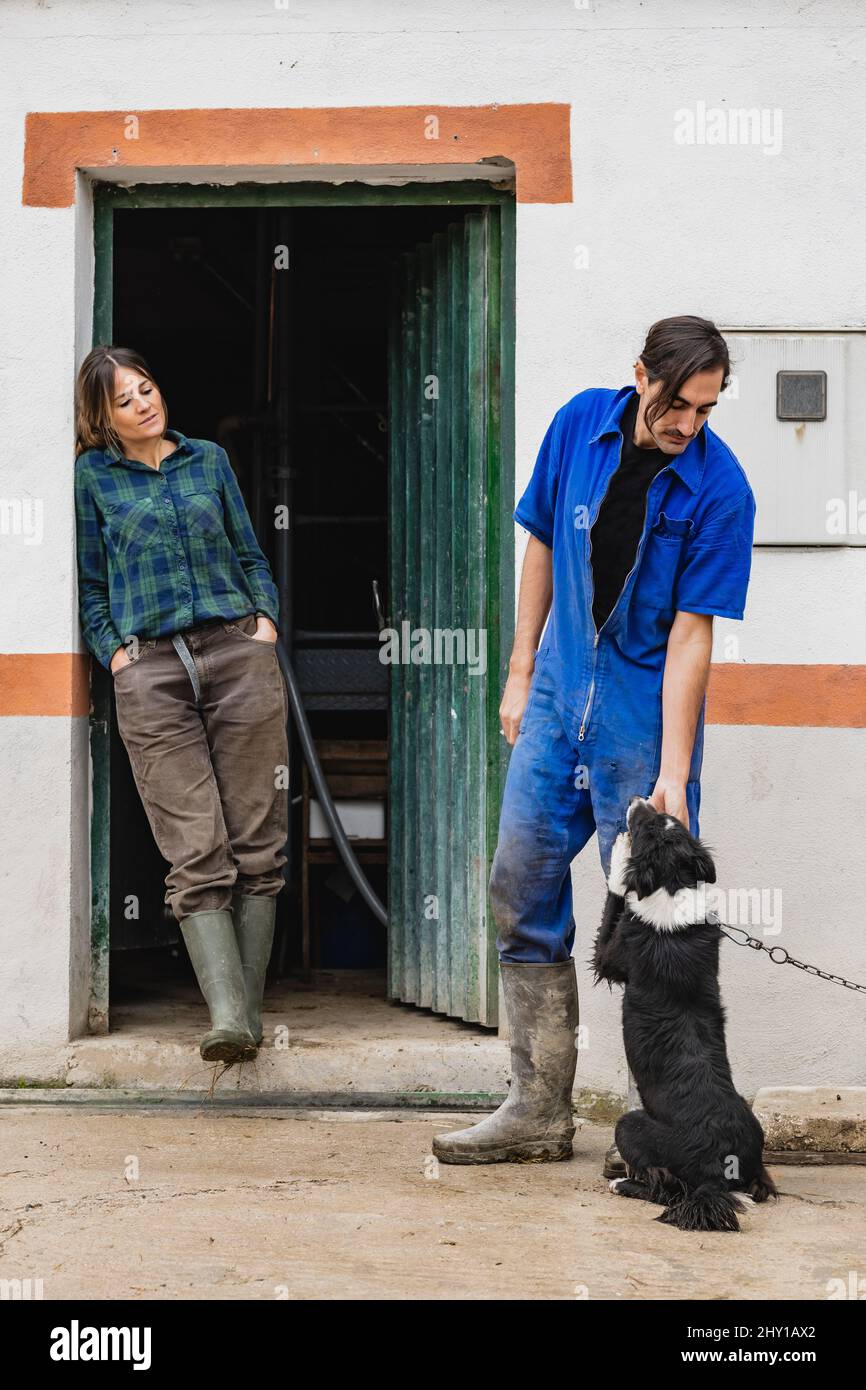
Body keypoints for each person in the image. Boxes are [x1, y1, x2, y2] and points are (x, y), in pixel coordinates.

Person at [433, 315, 756, 1168]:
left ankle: (682, 1134)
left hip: (640, 726)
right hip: (554, 699)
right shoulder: (581, 421)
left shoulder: (722, 491)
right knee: (518, 888)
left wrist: (675, 775)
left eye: (708, 410)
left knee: (657, 929)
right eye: (678, 403)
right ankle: (538, 1110)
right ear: (641, 374)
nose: (689, 425)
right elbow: (540, 542)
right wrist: (518, 669)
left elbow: (693, 636)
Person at [74, 345, 288, 1063]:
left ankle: (245, 1018)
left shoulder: (208, 462)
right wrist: (115, 654)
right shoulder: (92, 479)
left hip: (237, 650)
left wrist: (264, 619)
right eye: (124, 398)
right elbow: (91, 581)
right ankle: (227, 1017)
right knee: (196, 848)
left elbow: (249, 549)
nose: (143, 402)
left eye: (147, 387)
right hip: (152, 668)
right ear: (102, 419)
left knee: (259, 840)